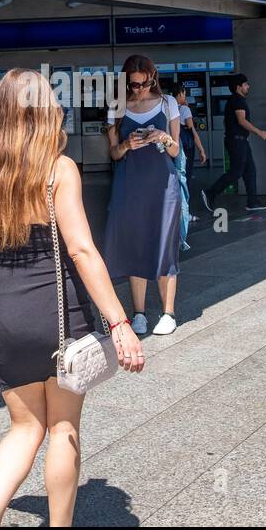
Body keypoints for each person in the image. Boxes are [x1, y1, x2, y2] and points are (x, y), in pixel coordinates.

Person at [0, 68, 144, 527]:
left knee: (23, 427)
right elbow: (81, 250)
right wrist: (120, 323)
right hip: (58, 314)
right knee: (62, 428)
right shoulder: (58, 168)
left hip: (6, 312)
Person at [105, 55, 183, 336]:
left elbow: (175, 151)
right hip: (129, 185)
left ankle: (168, 312)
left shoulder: (168, 103)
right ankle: (139, 313)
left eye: (143, 83)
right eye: (133, 84)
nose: (138, 89)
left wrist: (163, 137)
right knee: (136, 245)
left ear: (152, 78)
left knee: (164, 243)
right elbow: (113, 154)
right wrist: (126, 144)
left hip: (164, 185)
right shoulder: (116, 106)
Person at [202, 72, 266, 213]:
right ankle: (210, 193)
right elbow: (242, 120)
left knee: (250, 171)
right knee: (236, 172)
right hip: (236, 141)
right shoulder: (237, 100)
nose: (248, 87)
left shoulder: (237, 100)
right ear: (239, 86)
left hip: (241, 141)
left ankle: (252, 202)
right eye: (246, 84)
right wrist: (260, 132)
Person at [171, 84, 206, 224]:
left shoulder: (167, 107)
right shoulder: (184, 109)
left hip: (171, 146)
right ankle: (185, 214)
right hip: (185, 147)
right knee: (185, 180)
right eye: (184, 94)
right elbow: (192, 131)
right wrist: (201, 149)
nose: (184, 97)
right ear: (180, 94)